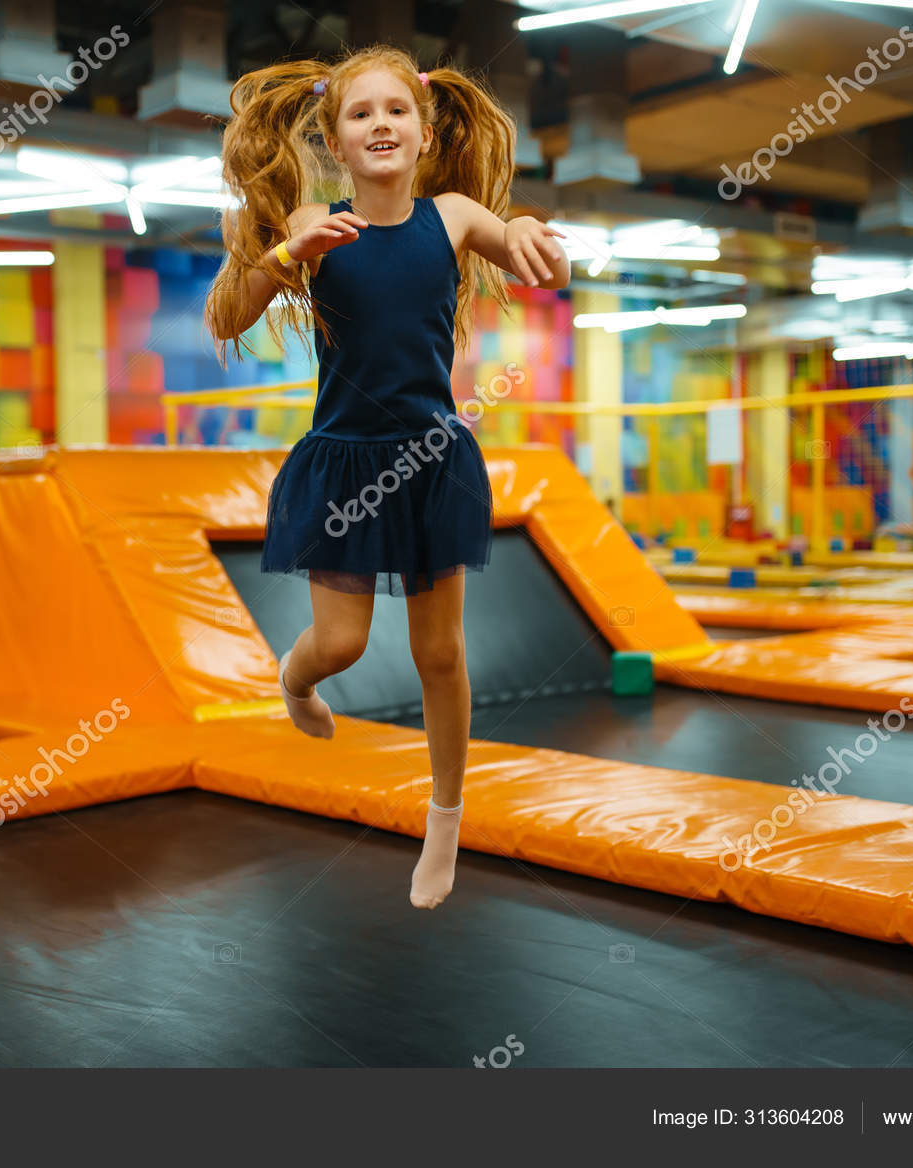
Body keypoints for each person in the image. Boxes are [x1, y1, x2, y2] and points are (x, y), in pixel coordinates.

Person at [205, 45, 569, 909]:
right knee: (342, 646)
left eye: (396, 111)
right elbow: (226, 313)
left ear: (425, 128)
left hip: (431, 461)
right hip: (343, 462)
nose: (381, 124)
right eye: (361, 113)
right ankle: (295, 679)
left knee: (440, 654)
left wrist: (519, 229)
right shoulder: (315, 221)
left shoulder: (451, 215)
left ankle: (445, 818)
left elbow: (512, 238)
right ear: (336, 138)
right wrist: (284, 252)